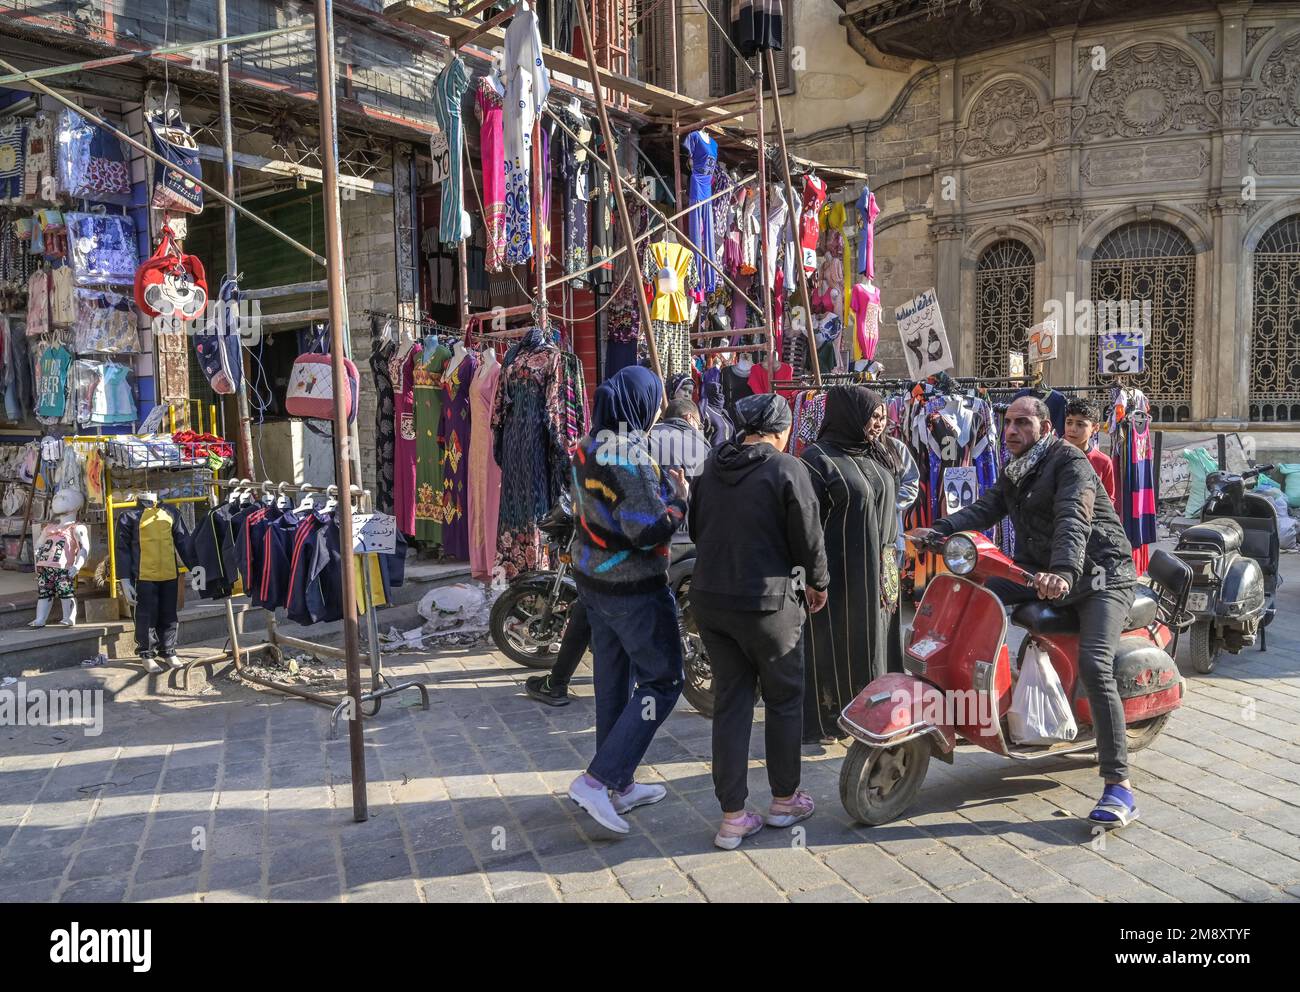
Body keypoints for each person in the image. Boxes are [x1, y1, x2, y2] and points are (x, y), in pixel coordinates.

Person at [917, 395, 1139, 828]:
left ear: (1045, 426)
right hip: (1040, 571)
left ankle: (1119, 786)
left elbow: (1074, 516)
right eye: (1007, 423)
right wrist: (939, 529)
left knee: (1096, 664)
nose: (1011, 430)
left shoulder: (1070, 462)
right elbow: (986, 506)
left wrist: (1062, 570)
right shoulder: (1017, 469)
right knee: (970, 593)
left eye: (1022, 422)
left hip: (1100, 576)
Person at [689, 392, 830, 850]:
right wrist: (819, 582)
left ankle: (732, 817)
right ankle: (785, 801)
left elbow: (697, 527)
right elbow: (809, 536)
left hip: (711, 600)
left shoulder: (713, 465)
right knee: (784, 699)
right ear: (779, 429)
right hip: (769, 605)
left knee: (731, 702)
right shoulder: (787, 468)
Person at [566, 365, 690, 835]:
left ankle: (619, 781)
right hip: (633, 590)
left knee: (613, 683)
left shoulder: (586, 445)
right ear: (639, 404)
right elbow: (646, 531)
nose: (659, 410)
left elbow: (602, 511)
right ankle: (598, 780)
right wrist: (679, 499)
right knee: (662, 682)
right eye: (656, 401)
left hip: (592, 584)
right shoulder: (630, 455)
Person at [525, 398, 709, 708]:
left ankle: (560, 684)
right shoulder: (700, 445)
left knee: (626, 678)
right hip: (680, 547)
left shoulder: (608, 447)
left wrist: (676, 502)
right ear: (692, 418)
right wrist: (681, 502)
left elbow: (641, 525)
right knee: (651, 680)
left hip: (621, 564)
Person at [799, 386, 901, 744]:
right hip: (840, 572)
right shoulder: (817, 459)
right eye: (871, 416)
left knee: (877, 641)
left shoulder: (880, 453)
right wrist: (814, 574)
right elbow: (806, 520)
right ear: (848, 415)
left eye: (881, 417)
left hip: (881, 569)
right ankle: (831, 715)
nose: (877, 424)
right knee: (837, 642)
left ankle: (876, 712)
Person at [1063, 398, 1118, 511]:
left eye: (1080, 424)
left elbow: (1108, 500)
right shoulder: (1052, 454)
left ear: (1095, 428)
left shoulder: (1103, 462)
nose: (1072, 429)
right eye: (1069, 423)